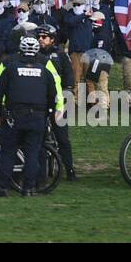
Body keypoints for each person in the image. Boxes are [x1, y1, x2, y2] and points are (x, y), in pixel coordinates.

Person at [0, 34, 61, 197]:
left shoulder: (10, 69)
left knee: (8, 152)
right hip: (37, 117)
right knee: (32, 154)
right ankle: (28, 189)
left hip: (14, 116)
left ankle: (3, 188)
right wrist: (48, 113)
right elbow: (53, 96)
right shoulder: (45, 72)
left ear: (20, 51)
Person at [36, 24, 77, 180]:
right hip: (40, 101)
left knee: (62, 138)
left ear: (52, 39)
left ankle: (70, 170)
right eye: (38, 37)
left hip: (58, 100)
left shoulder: (60, 55)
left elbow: (69, 78)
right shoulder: (34, 54)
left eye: (44, 37)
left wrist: (65, 100)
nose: (40, 40)